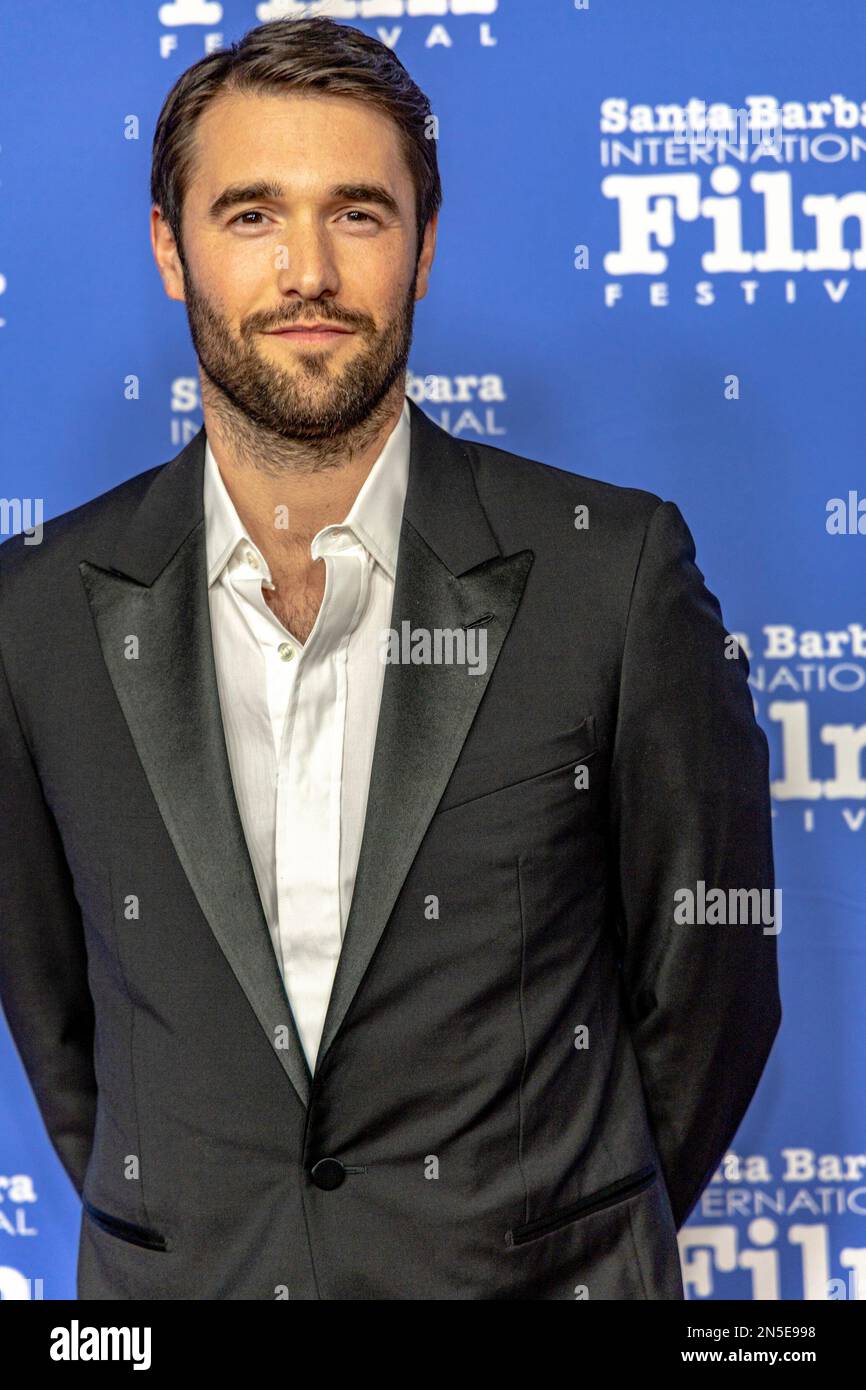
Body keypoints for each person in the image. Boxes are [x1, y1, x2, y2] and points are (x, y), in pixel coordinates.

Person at [0, 16, 780, 1300]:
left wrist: (547, 1233)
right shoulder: (34, 615)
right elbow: (59, 1023)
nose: (305, 270)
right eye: (250, 215)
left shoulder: (609, 572)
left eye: (356, 214)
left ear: (420, 249)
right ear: (168, 247)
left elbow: (712, 990)